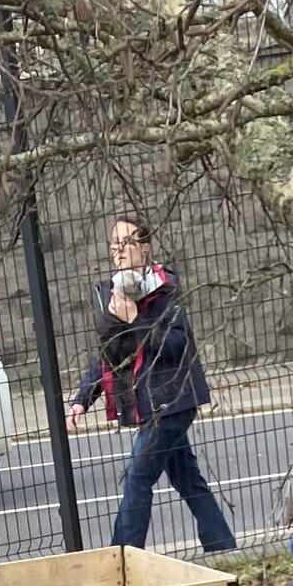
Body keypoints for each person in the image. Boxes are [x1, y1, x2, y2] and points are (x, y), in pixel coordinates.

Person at [66, 214, 237, 556]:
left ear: (146, 247)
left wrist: (137, 320)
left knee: (137, 477)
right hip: (146, 403)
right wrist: (82, 398)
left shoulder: (165, 291)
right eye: (114, 244)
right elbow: (112, 356)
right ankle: (223, 546)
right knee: (186, 477)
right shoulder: (111, 295)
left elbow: (177, 346)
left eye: (127, 242)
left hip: (173, 400)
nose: (119, 250)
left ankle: (122, 558)